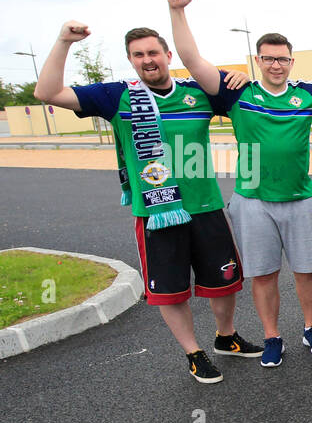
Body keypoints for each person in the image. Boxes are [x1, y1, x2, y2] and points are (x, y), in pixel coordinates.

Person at [167, 0, 312, 367]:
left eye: (282, 59)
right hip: (253, 202)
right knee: (264, 275)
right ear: (258, 60)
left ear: (291, 61)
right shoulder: (236, 93)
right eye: (269, 59)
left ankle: (311, 328)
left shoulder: (307, 94)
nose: (276, 65)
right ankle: (272, 336)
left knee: (307, 271)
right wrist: (177, 11)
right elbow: (192, 60)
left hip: (299, 198)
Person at [35, 21, 261, 383]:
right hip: (157, 214)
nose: (147, 60)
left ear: (168, 55)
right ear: (131, 60)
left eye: (153, 52)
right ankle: (194, 352)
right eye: (138, 55)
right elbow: (46, 92)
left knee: (225, 281)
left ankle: (226, 336)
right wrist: (63, 41)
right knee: (171, 290)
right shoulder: (117, 96)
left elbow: (245, 93)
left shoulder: (198, 91)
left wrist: (236, 76)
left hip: (205, 206)